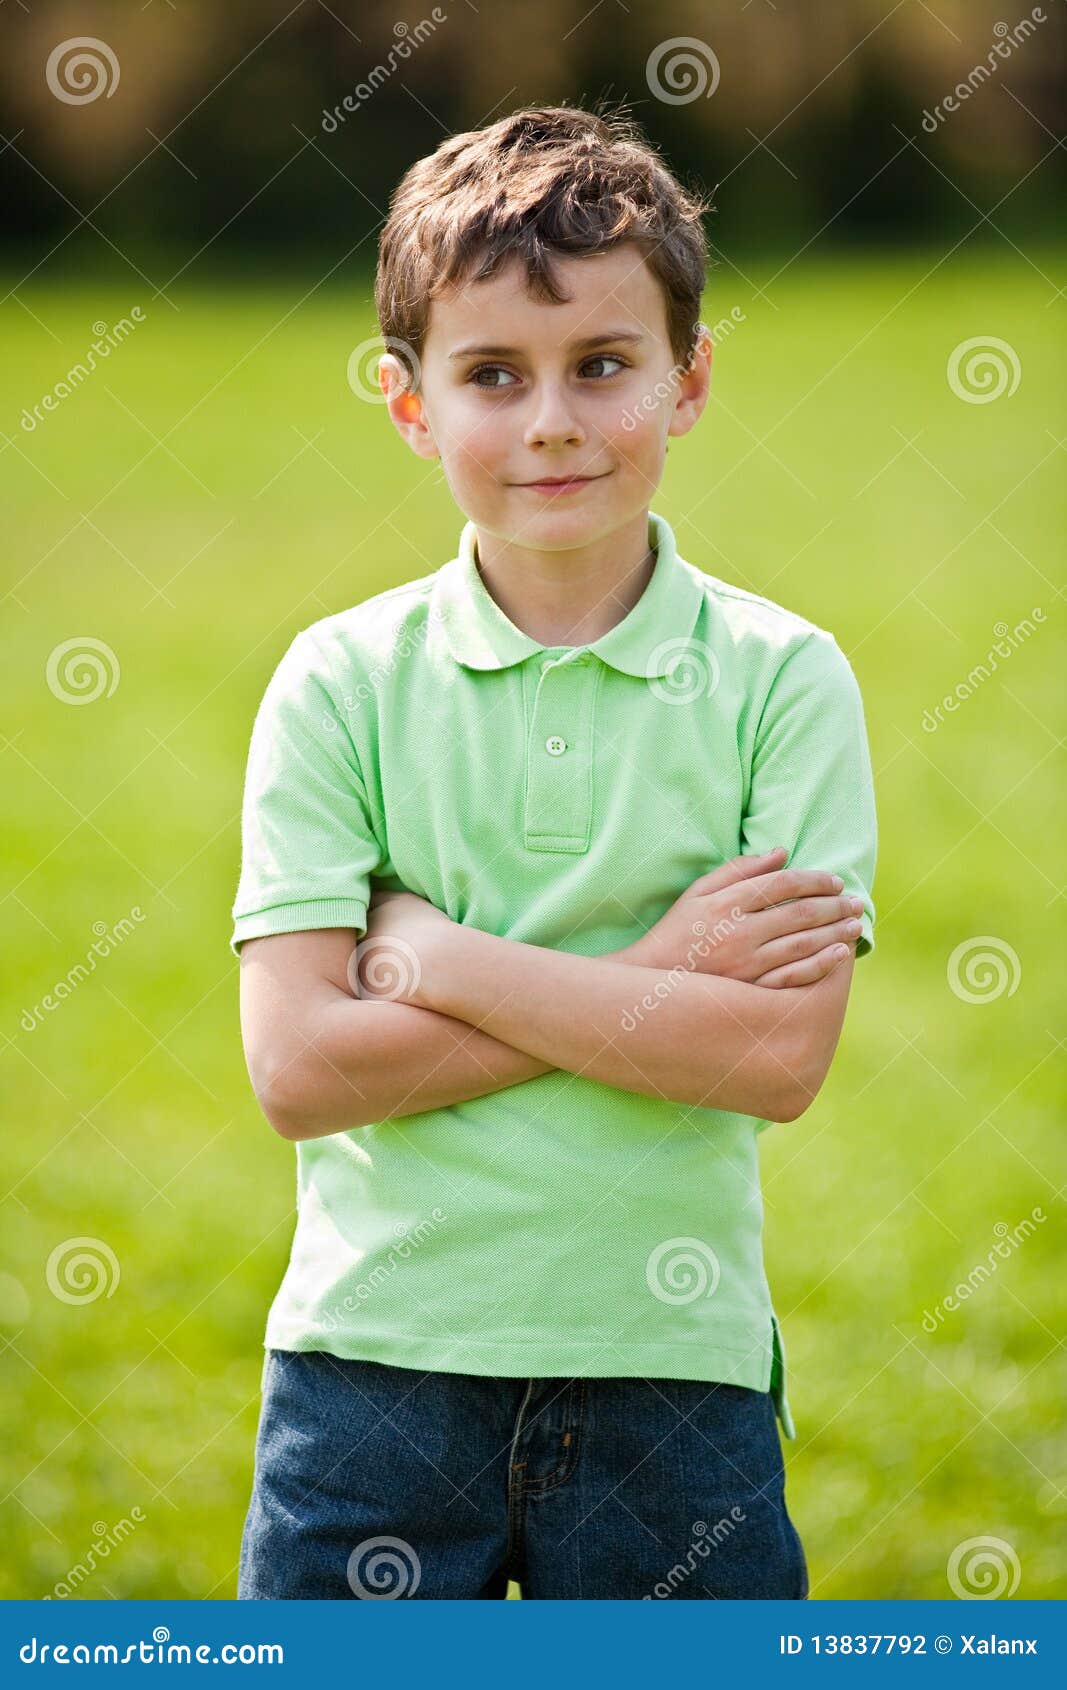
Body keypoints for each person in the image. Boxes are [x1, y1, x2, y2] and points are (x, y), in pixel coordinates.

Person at [230, 103, 877, 1600]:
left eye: (602, 365)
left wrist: (440, 960)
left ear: (688, 377)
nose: (552, 423)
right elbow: (300, 1068)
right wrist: (655, 980)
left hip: (672, 1368)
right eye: (491, 376)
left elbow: (775, 1059)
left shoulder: (786, 677)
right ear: (408, 404)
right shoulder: (338, 681)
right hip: (371, 1371)